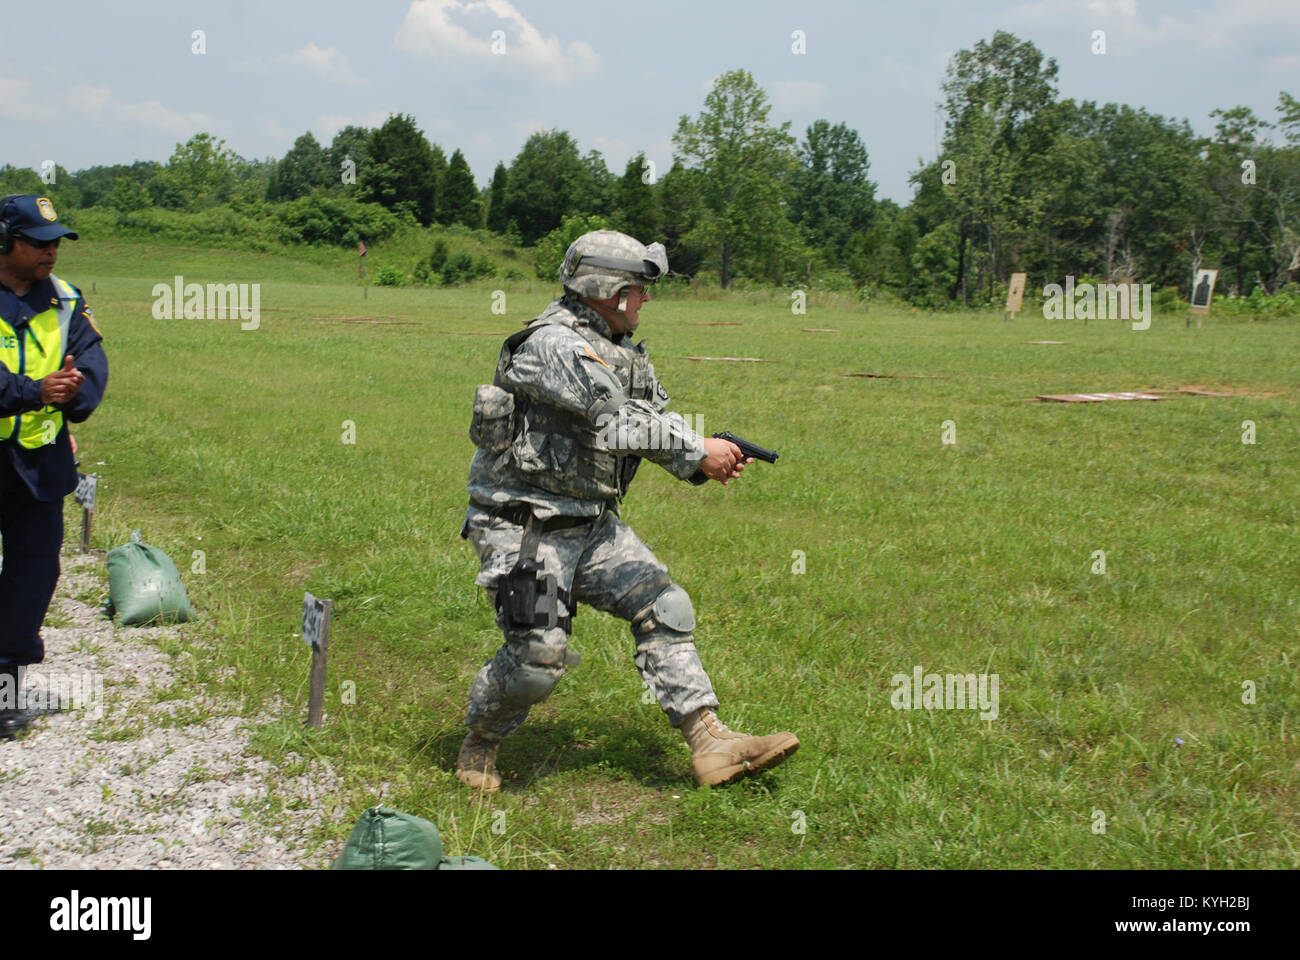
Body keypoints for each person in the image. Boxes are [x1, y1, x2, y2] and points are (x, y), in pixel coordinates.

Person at [456, 229, 798, 791]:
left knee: (666, 607)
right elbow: (616, 420)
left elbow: (648, 418)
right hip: (525, 527)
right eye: (639, 289)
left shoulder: (619, 347)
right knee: (539, 656)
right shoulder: (553, 345)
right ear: (610, 290)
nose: (645, 301)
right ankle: (480, 744)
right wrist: (696, 453)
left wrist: (699, 456)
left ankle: (710, 741)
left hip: (590, 522)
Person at [0, 195, 108, 737]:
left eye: (56, 242)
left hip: (39, 467)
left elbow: (91, 361)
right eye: (38, 242)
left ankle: (6, 687)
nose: (50, 252)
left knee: (34, 574)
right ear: (5, 242)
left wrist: (72, 392)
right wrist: (31, 391)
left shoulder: (66, 300)